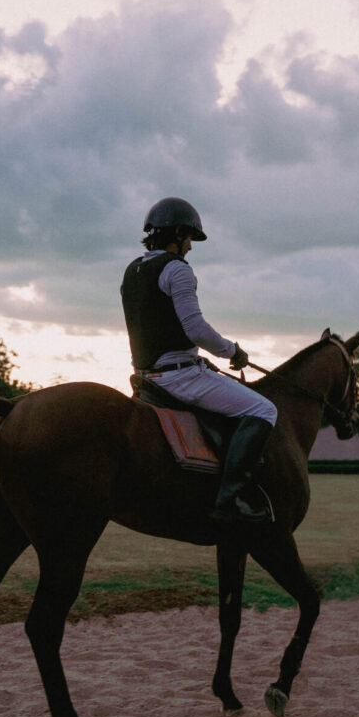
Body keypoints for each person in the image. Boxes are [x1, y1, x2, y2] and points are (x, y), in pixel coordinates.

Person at [121, 197, 277, 524]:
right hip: (180, 377)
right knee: (265, 409)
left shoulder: (133, 270)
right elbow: (196, 330)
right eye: (189, 238)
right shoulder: (177, 270)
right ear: (177, 233)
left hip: (145, 377)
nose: (190, 246)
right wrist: (233, 351)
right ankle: (229, 499)